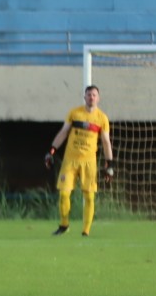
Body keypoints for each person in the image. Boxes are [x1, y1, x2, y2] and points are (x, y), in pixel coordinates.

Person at [44, 84, 114, 237]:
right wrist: (51, 150)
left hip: (89, 162)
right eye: (89, 95)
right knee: (64, 193)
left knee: (89, 196)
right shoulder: (75, 113)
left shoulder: (102, 118)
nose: (91, 97)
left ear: (98, 98)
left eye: (94, 95)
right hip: (70, 160)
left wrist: (110, 165)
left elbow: (106, 141)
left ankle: (86, 231)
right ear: (84, 97)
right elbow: (63, 132)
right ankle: (64, 225)